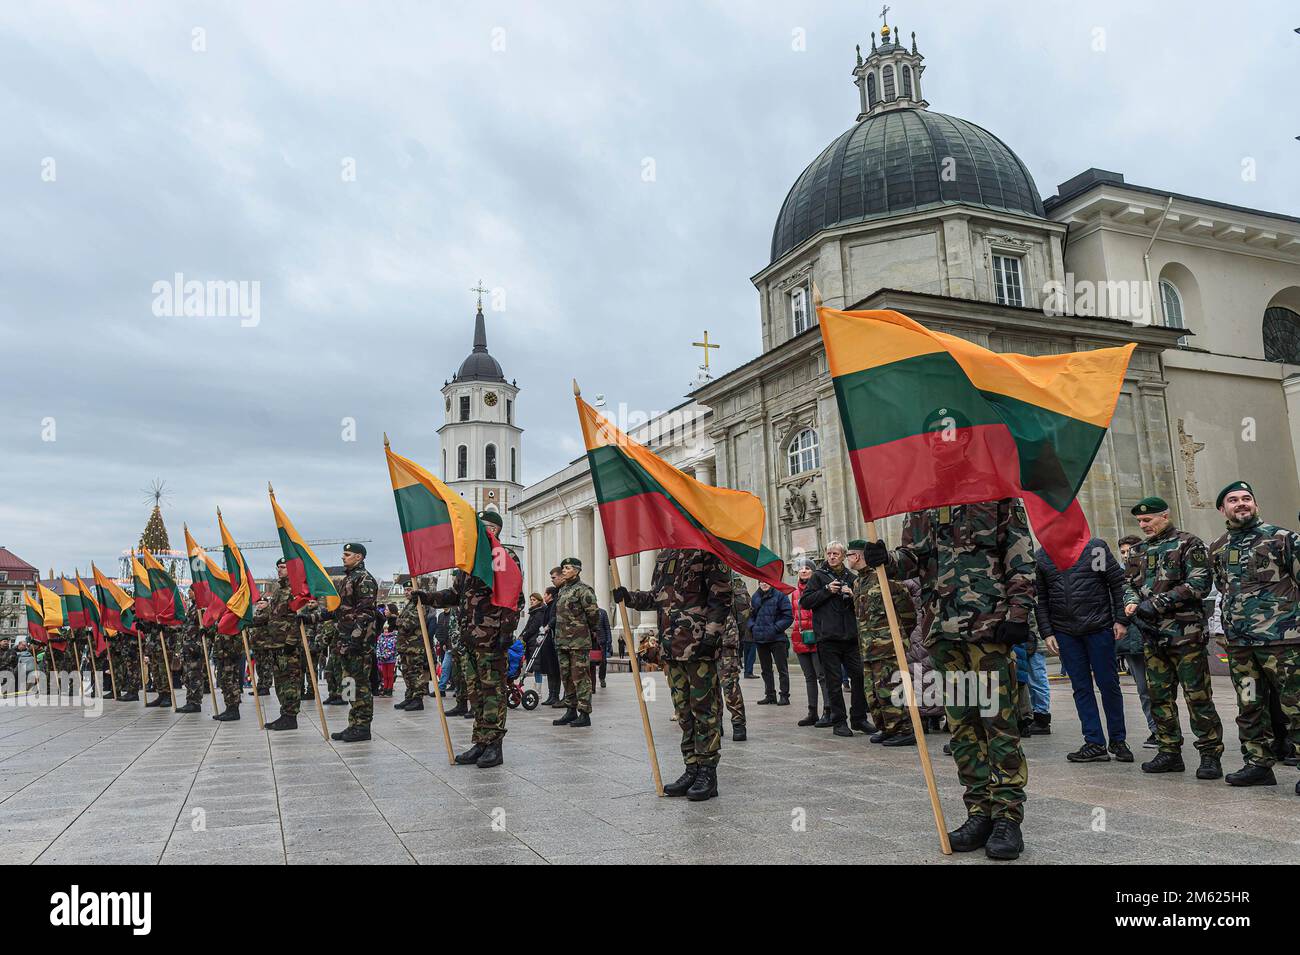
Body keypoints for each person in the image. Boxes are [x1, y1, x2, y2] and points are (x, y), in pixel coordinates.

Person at [863, 493, 1036, 862]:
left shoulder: (997, 498)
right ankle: (979, 813)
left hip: (989, 629)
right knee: (962, 727)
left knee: (997, 723)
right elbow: (911, 559)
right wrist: (886, 559)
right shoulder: (923, 505)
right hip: (942, 631)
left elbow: (1020, 559)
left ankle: (1007, 817)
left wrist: (1019, 614)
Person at [617, 548, 730, 800]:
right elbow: (657, 597)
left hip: (699, 646)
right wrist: (629, 597)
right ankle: (691, 767)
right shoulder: (665, 556)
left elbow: (720, 598)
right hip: (671, 647)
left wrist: (712, 636)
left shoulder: (707, 551)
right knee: (683, 712)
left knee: (705, 711)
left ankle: (707, 772)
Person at [1208, 481, 1300, 791]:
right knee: (1249, 705)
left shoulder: (1283, 539)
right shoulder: (1218, 547)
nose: (1242, 503)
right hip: (1241, 646)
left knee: (1295, 705)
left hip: (1283, 641)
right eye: (1233, 500)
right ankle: (1258, 764)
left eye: (1247, 498)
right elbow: (1224, 590)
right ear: (1223, 509)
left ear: (1256, 505)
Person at [413, 510, 523, 767]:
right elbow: (455, 594)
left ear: (494, 530)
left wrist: (507, 632)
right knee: (476, 693)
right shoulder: (469, 561)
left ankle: (494, 745)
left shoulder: (502, 557)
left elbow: (513, 597)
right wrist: (428, 598)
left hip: (491, 638)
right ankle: (481, 741)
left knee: (492, 691)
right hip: (469, 638)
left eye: (483, 526)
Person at [1124, 497, 1223, 779]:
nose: (1143, 525)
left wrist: (1157, 603)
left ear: (1165, 516)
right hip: (1152, 637)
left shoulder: (1189, 543)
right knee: (1159, 698)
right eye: (1140, 522)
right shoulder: (1138, 551)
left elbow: (1199, 583)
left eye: (1148, 520)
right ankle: (1169, 752)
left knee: (1198, 697)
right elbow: (1128, 584)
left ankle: (1209, 754)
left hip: (1185, 636)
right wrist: (1130, 602)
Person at [1034, 537, 1131, 763]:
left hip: (1098, 627)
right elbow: (1041, 598)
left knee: (1108, 684)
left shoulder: (1094, 548)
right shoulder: (1043, 556)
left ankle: (1118, 739)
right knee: (1081, 687)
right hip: (1066, 632)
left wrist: (1121, 619)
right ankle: (1094, 742)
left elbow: (1115, 583)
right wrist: (1047, 632)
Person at [845, 540, 917, 745]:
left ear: (857, 556)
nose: (847, 559)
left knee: (892, 689)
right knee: (873, 693)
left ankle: (904, 730)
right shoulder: (859, 582)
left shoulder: (885, 577)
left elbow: (907, 611)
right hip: (868, 647)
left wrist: (897, 637)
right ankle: (886, 727)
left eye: (849, 555)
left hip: (887, 646)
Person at [799, 542, 871, 737]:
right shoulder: (818, 577)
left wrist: (854, 595)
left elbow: (865, 606)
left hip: (850, 637)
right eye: (829, 553)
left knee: (858, 677)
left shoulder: (852, 578)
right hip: (828, 638)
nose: (832, 556)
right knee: (833, 681)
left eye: (836, 553)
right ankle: (839, 721)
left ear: (843, 556)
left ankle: (859, 718)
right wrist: (826, 591)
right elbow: (804, 602)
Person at [328, 543, 379, 742]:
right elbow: (341, 611)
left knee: (361, 685)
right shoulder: (348, 578)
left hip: (358, 643)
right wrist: (313, 618)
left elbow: (366, 613)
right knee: (349, 684)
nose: (343, 557)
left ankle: (363, 726)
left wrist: (355, 639)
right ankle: (353, 724)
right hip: (345, 641)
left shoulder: (364, 579)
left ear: (358, 557)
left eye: (347, 554)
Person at [253, 558, 306, 732]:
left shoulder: (296, 590)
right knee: (281, 681)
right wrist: (250, 621)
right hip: (275, 644)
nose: (279, 570)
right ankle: (285, 714)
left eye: (283, 567)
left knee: (291, 680)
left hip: (288, 644)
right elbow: (271, 615)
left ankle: (291, 716)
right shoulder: (277, 590)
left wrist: (292, 641)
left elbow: (299, 618)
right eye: (278, 567)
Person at [1115, 534, 1157, 747]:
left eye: (1129, 551)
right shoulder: (1120, 577)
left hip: (1152, 638)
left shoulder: (1151, 573)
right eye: (1122, 552)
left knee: (1159, 688)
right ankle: (1155, 730)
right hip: (1131, 643)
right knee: (1143, 689)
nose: (1126, 555)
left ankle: (1168, 730)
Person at [551, 556, 600, 728]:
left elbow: (594, 615)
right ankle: (570, 710)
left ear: (577, 570)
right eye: (563, 567)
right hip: (562, 641)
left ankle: (584, 713)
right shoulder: (563, 590)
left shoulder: (584, 590)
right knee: (566, 677)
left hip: (578, 641)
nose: (564, 570)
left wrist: (586, 631)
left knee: (580, 677)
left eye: (568, 568)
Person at [790, 560, 826, 727]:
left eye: (807, 569)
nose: (803, 571)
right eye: (801, 569)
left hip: (817, 636)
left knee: (822, 676)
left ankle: (828, 710)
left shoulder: (818, 588)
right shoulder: (795, 593)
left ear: (813, 572)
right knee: (809, 677)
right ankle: (812, 712)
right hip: (801, 637)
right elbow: (793, 615)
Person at [749, 579, 792, 707]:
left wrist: (775, 629)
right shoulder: (755, 597)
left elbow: (788, 616)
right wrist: (753, 627)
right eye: (761, 581)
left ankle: (784, 696)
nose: (764, 583)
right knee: (765, 669)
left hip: (777, 639)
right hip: (760, 639)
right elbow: (751, 616)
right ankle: (770, 695)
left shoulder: (780, 595)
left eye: (767, 581)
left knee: (782, 669)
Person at [717, 574, 749, 740]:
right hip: (718, 637)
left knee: (727, 684)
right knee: (722, 685)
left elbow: (743, 609)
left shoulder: (730, 578)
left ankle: (734, 724)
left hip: (721, 639)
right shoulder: (731, 577)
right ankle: (732, 725)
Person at [176, 596, 209, 714]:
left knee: (195, 675)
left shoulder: (202, 608)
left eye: (191, 590)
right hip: (187, 648)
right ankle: (190, 701)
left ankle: (195, 703)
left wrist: (199, 647)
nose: (189, 593)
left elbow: (205, 628)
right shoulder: (192, 607)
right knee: (188, 675)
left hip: (195, 648)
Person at [539, 572, 564, 706]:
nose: (544, 597)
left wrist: (548, 626)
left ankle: (555, 695)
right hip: (546, 641)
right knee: (549, 669)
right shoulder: (547, 607)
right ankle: (551, 695)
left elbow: (554, 618)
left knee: (554, 669)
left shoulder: (554, 605)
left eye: (545, 594)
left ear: (550, 595)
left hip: (553, 639)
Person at [591, 606, 612, 690]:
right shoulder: (586, 612)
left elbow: (607, 627)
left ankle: (602, 678)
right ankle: (592, 684)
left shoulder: (602, 612)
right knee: (591, 663)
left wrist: (609, 640)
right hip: (591, 642)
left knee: (603, 662)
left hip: (602, 642)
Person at [376, 625, 397, 697]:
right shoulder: (380, 638)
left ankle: (389, 690)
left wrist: (386, 656)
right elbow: (378, 647)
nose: (386, 631)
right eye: (385, 629)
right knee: (384, 675)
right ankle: (385, 689)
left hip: (391, 660)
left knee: (390, 675)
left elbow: (393, 649)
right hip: (382, 660)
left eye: (387, 629)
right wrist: (379, 655)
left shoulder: (394, 638)